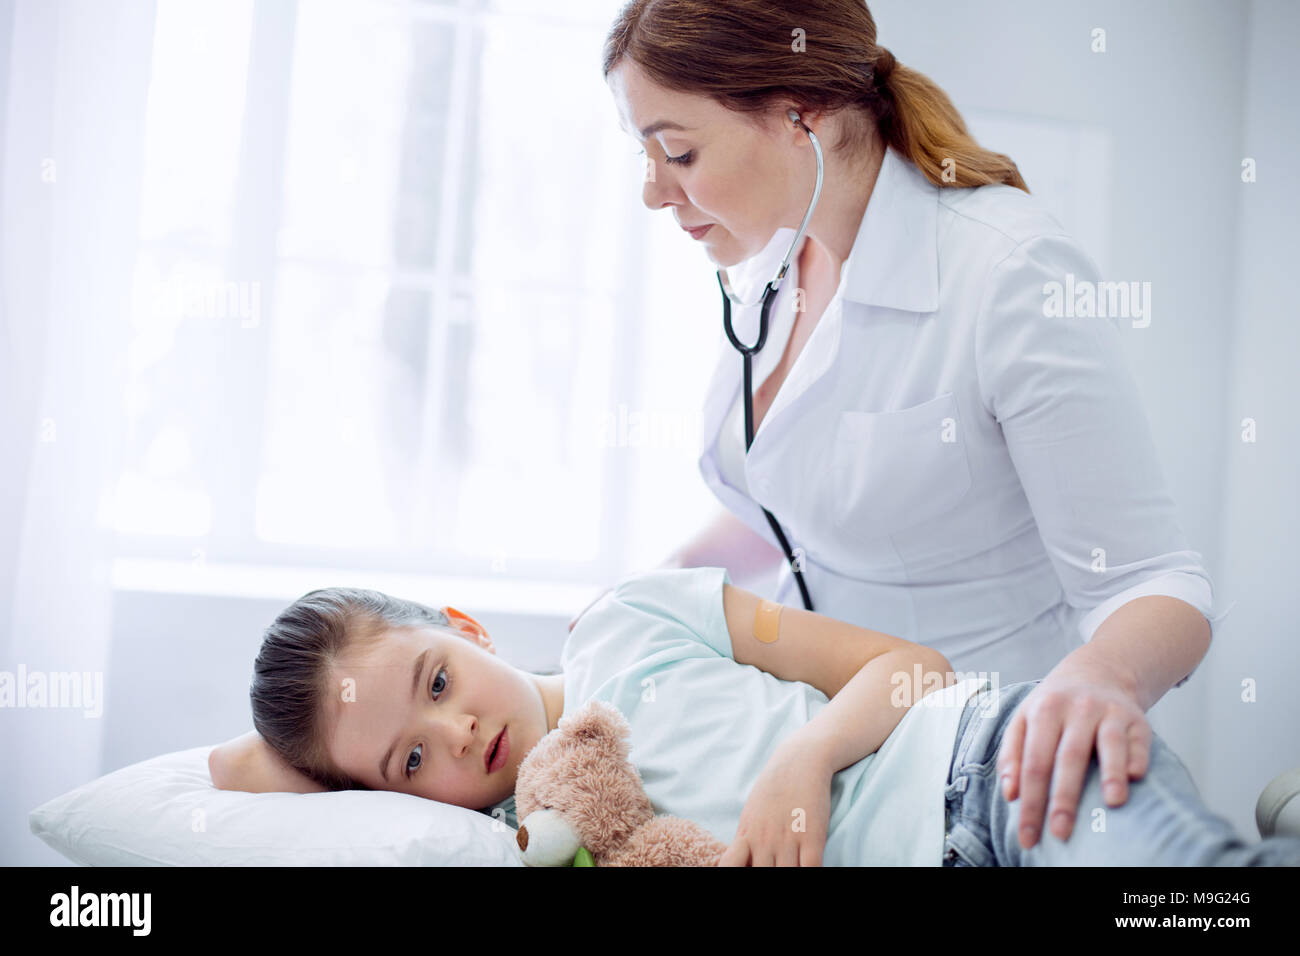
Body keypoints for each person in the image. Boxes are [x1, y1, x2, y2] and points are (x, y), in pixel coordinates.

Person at [593, 0, 1231, 853]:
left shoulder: (1005, 274)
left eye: (677, 151)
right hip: (850, 768)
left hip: (1006, 769)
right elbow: (788, 504)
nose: (651, 191)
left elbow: (1160, 586)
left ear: (799, 114)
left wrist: (1097, 680)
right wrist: (650, 601)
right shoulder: (781, 258)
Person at [209, 570, 1300, 866]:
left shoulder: (627, 620)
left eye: (436, 680)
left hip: (990, 772)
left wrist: (809, 753)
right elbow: (230, 777)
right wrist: (316, 752)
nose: (453, 735)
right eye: (409, 757)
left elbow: (908, 668)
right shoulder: (526, 845)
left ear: (463, 623)